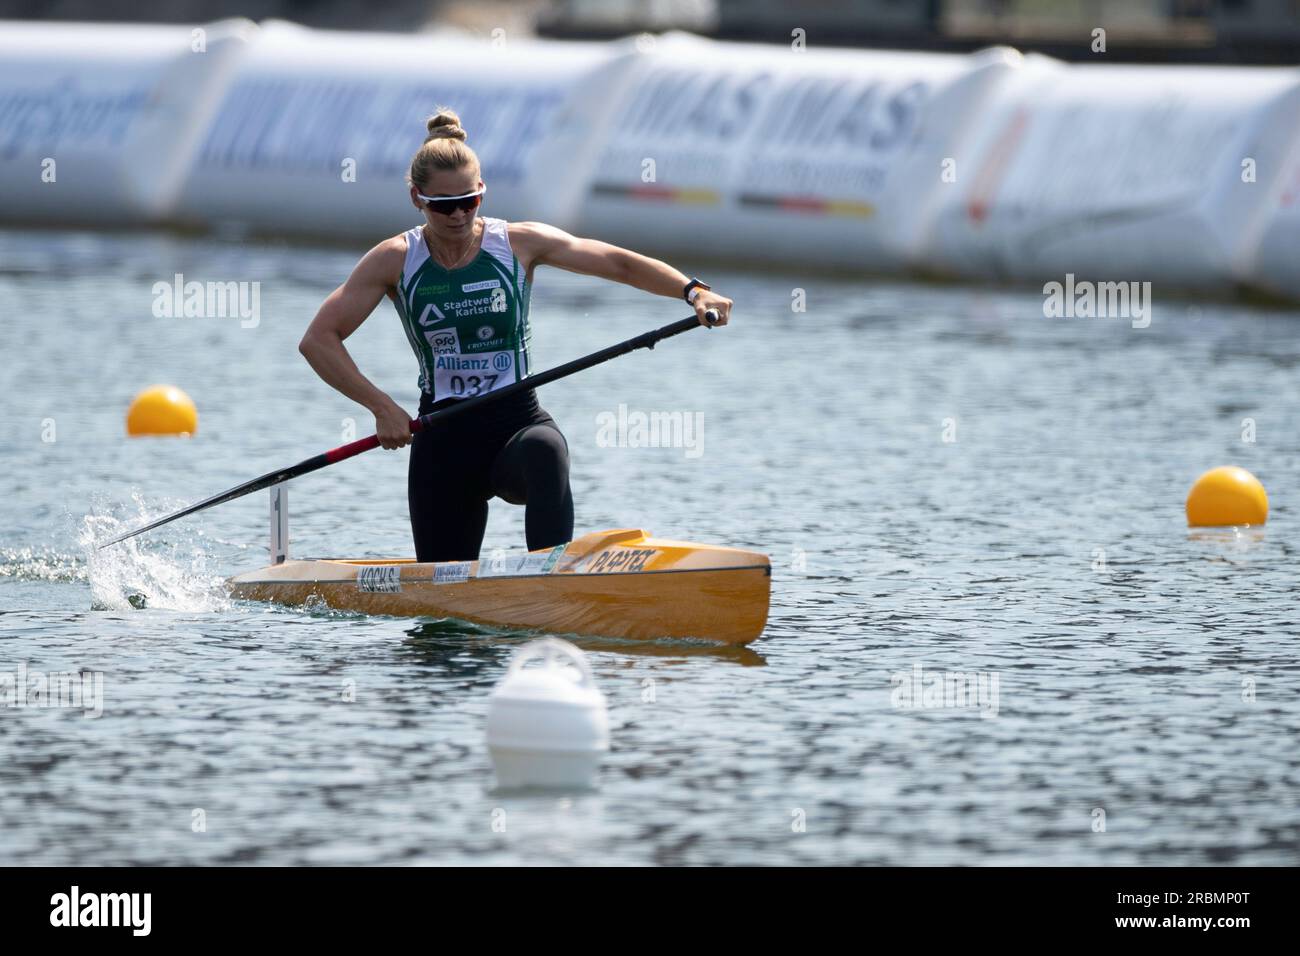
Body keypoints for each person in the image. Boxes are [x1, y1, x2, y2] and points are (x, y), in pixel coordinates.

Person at [298, 107, 732, 562]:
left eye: (471, 201)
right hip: (442, 438)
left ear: (482, 194)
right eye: (445, 205)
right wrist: (381, 407)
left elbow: (616, 262)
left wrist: (693, 291)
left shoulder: (517, 243)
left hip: (516, 425)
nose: (459, 214)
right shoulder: (394, 259)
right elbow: (319, 339)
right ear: (417, 198)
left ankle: (549, 575)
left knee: (547, 452)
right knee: (443, 612)